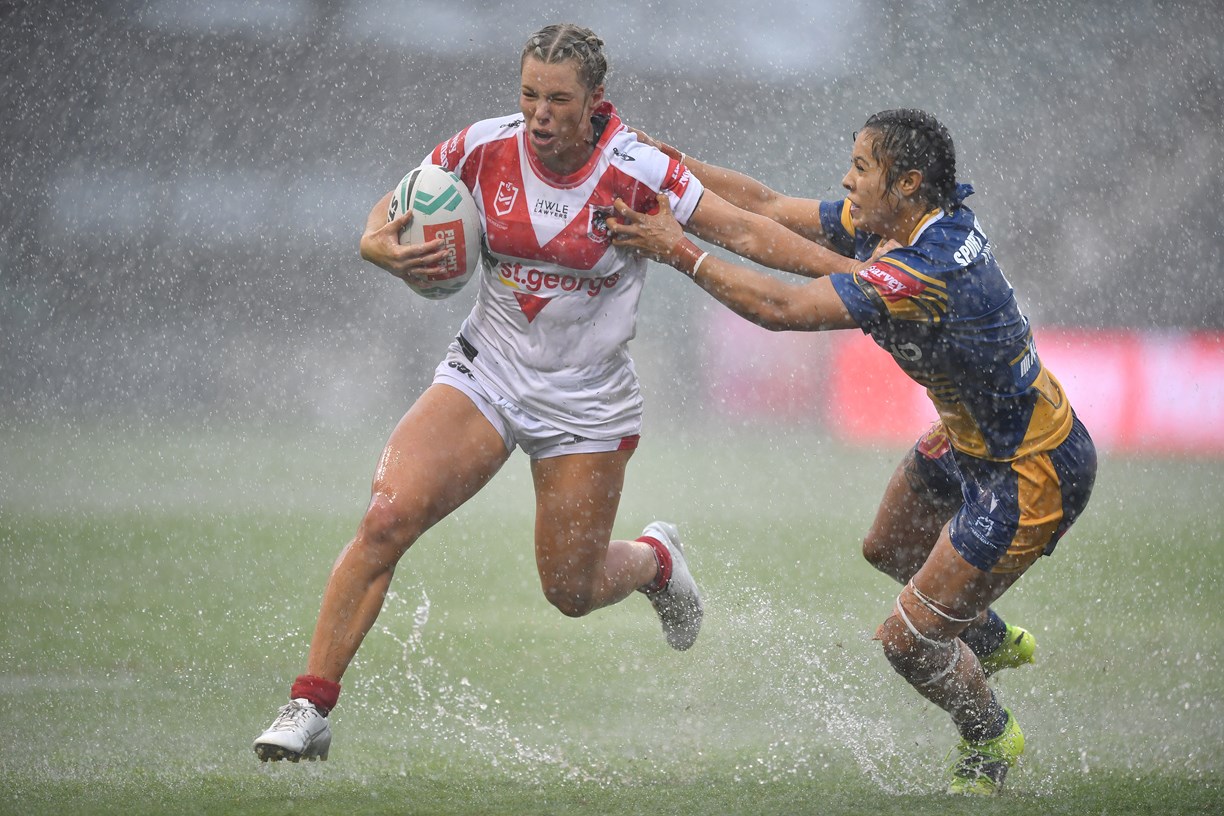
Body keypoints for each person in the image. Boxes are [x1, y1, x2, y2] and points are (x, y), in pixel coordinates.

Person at [251, 22, 843, 764]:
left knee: (572, 589)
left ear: (595, 100)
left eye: (557, 99)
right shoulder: (481, 148)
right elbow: (391, 211)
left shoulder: (639, 169)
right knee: (385, 520)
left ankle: (657, 560)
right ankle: (310, 706)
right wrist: (378, 246)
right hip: (487, 372)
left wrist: (855, 283)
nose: (538, 113)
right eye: (528, 93)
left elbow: (748, 232)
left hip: (587, 401)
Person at [606, 109, 1096, 796]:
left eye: (862, 167)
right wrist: (674, 167)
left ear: (909, 183)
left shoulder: (920, 271)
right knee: (889, 548)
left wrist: (676, 247)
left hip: (1029, 470)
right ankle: (982, 634)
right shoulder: (910, 224)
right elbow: (766, 208)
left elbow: (781, 308)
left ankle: (989, 736)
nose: (847, 179)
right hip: (973, 438)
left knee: (907, 641)